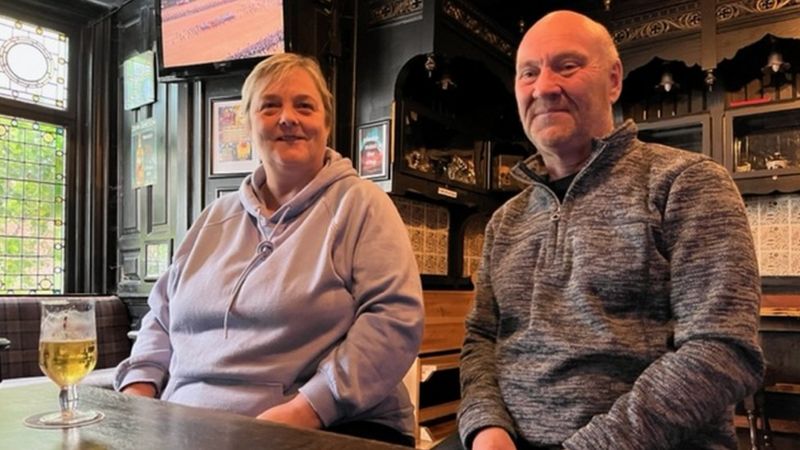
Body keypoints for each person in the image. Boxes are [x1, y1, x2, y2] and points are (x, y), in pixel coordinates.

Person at [457, 11, 764, 450]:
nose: (544, 87)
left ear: (614, 79)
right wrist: (486, 428)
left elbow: (724, 349)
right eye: (529, 72)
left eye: (567, 66)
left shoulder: (686, 183)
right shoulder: (506, 220)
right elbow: (481, 338)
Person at [114, 53, 424, 447]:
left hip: (322, 425)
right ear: (248, 124)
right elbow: (160, 317)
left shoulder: (361, 203)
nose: (287, 117)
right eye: (270, 105)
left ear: (326, 124)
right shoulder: (213, 217)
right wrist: (138, 393)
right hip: (186, 427)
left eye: (304, 106)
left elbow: (394, 321)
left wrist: (304, 411)